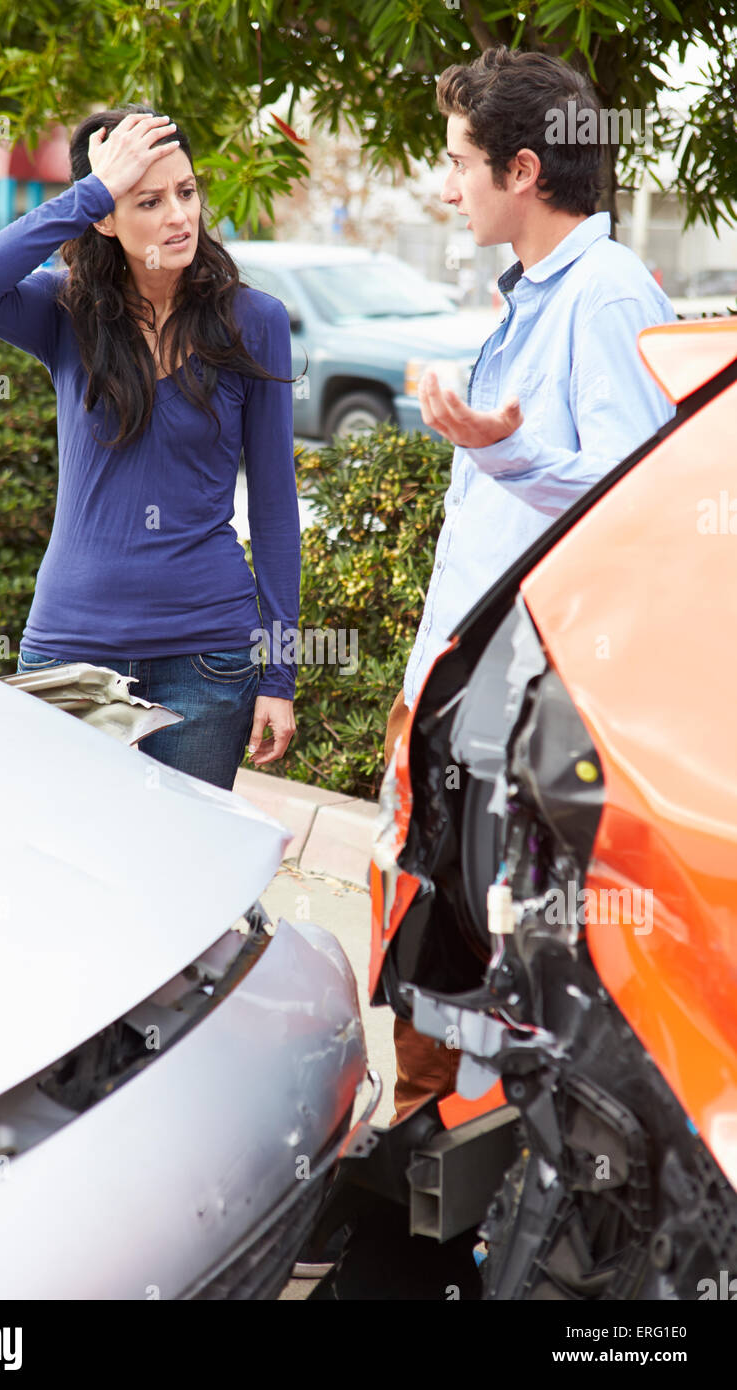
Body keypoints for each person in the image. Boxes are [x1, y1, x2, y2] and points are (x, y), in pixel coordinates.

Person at [386, 46, 677, 1122]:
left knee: (486, 980)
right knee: (435, 955)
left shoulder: (601, 296)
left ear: (519, 170)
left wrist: (500, 452)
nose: (444, 182)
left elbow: (635, 505)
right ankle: (419, 1163)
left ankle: (455, 1195)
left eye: (457, 161)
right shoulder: (542, 290)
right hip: (468, 701)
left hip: (520, 720)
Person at [0, 104, 300, 791]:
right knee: (61, 864)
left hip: (207, 655)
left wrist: (279, 674)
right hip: (69, 647)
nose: (179, 216)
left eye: (187, 192)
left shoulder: (253, 321)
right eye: (147, 198)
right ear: (104, 216)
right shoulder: (64, 311)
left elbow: (279, 513)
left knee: (183, 878)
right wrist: (91, 190)